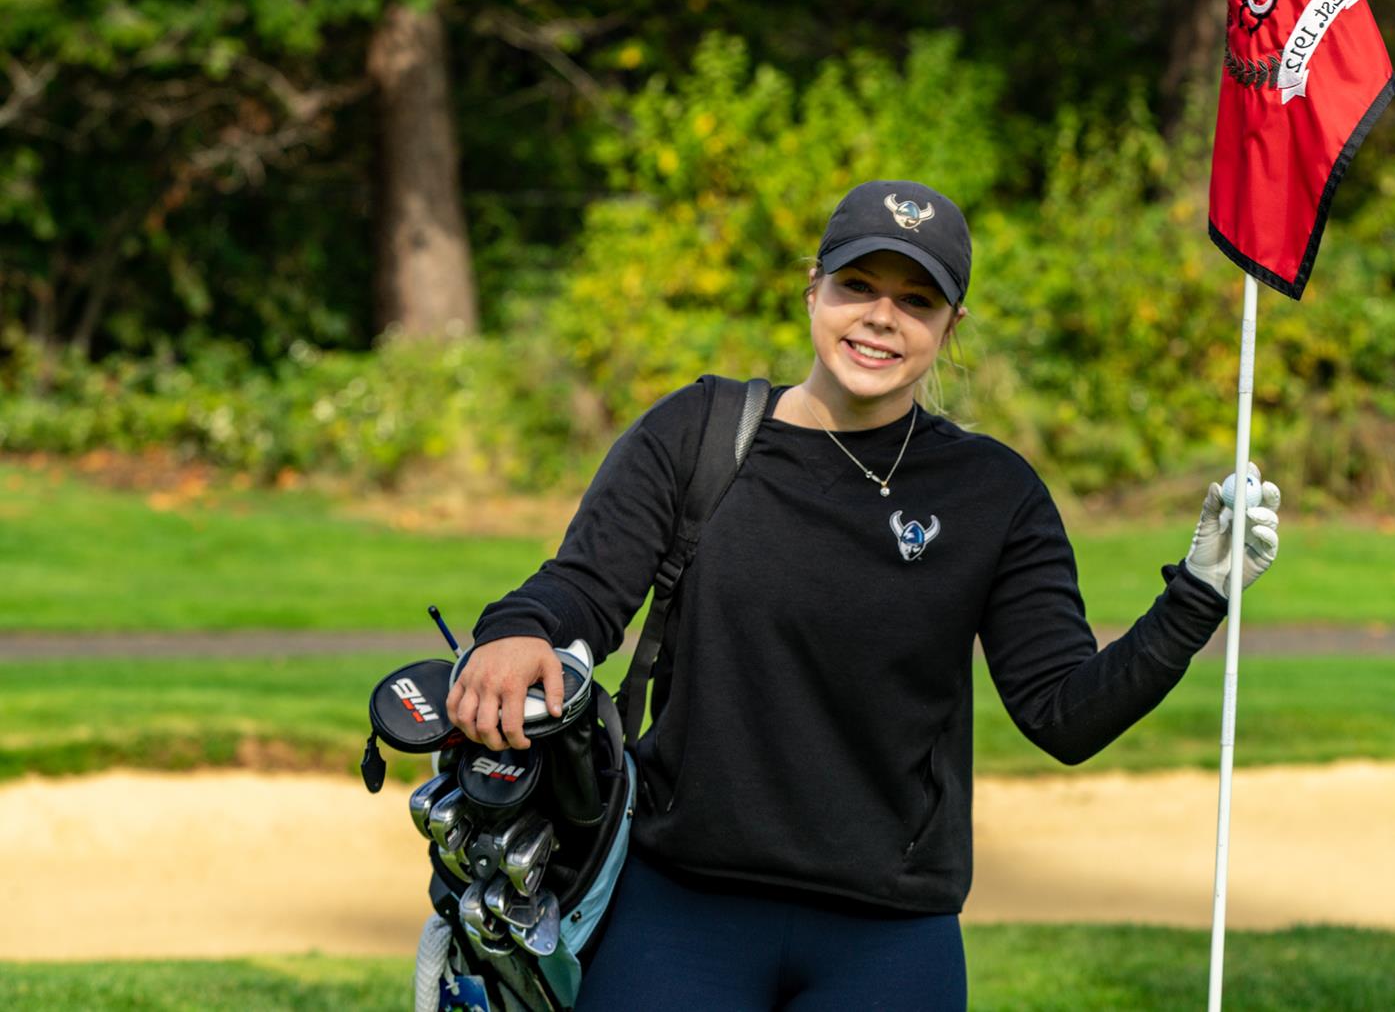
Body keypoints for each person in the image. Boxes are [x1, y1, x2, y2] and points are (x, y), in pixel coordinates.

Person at [447, 179, 1283, 1010]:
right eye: (857, 286)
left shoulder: (995, 493)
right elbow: (584, 587)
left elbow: (1064, 712)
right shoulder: (698, 434)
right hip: (680, 909)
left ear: (951, 326)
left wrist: (1198, 593)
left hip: (888, 937)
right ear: (814, 289)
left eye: (917, 299)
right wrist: (520, 629)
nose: (881, 316)